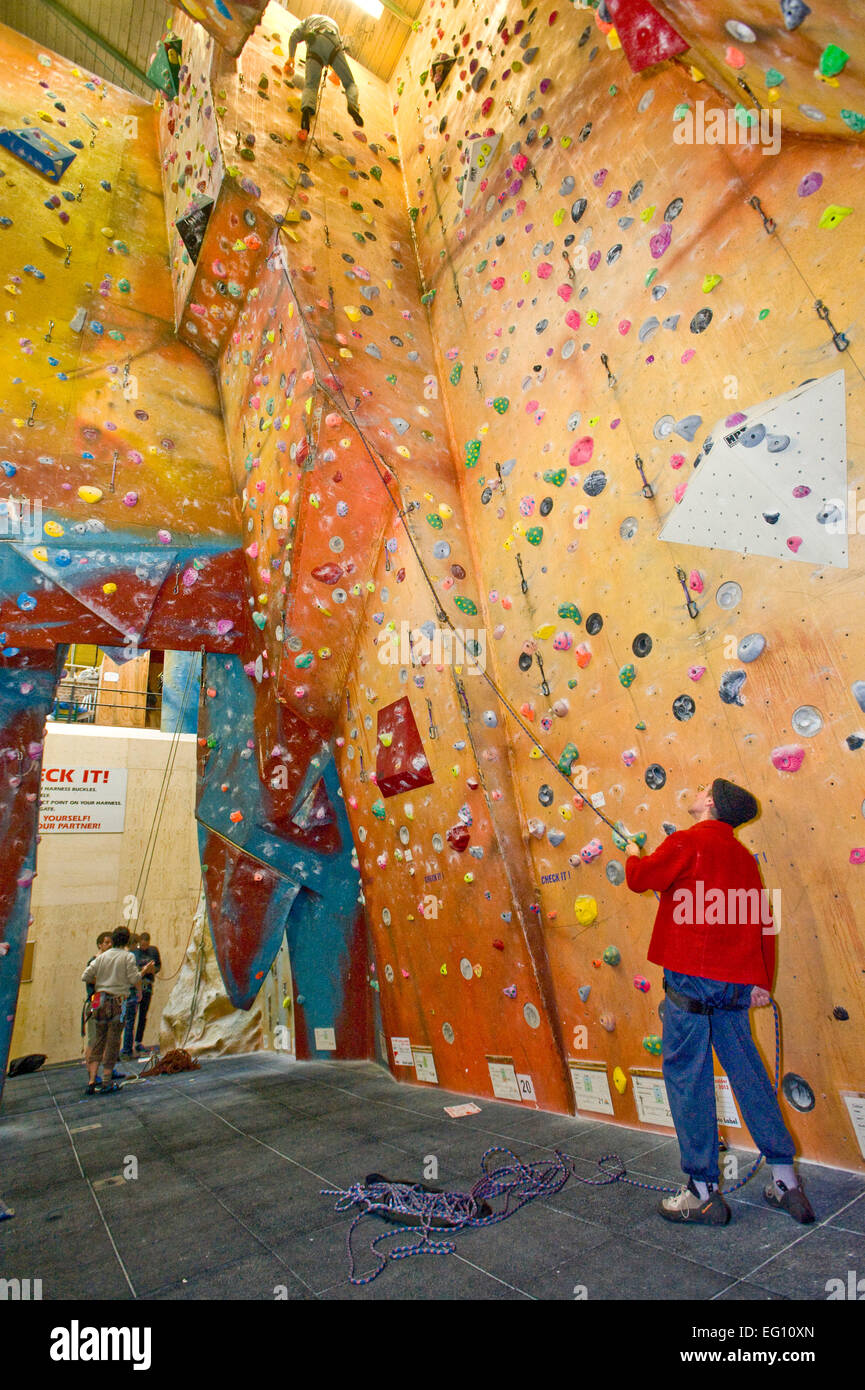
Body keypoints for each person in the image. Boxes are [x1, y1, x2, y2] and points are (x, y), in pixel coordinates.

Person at [625, 777, 814, 1226]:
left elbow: (639, 878)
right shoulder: (744, 858)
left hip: (691, 984)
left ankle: (702, 1192)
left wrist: (631, 852)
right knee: (749, 1074)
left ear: (708, 802)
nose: (695, 792)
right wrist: (760, 980)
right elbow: (762, 920)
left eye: (700, 788)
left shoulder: (687, 841)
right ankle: (787, 1181)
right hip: (734, 988)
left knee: (688, 1078)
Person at [81, 927, 142, 1095]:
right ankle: (106, 1080)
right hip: (117, 1001)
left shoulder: (101, 957)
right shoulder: (128, 956)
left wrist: (101, 981)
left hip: (98, 1001)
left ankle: (92, 1081)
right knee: (113, 1040)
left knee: (98, 1041)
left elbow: (85, 976)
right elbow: (134, 978)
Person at [284, 15, 363, 131]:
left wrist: (291, 57)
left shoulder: (306, 21)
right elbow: (337, 46)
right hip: (333, 43)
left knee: (310, 85)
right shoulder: (332, 23)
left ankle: (306, 112)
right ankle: (353, 105)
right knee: (350, 83)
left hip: (314, 42)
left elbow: (293, 37)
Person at [131, 932, 161, 1052]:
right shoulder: (133, 953)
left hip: (147, 986)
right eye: (142, 945)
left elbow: (159, 966)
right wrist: (143, 970)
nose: (144, 947)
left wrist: (153, 969)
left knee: (143, 1016)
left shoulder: (153, 951)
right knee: (131, 1016)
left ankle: (138, 1041)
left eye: (146, 945)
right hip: (135, 987)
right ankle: (128, 1044)